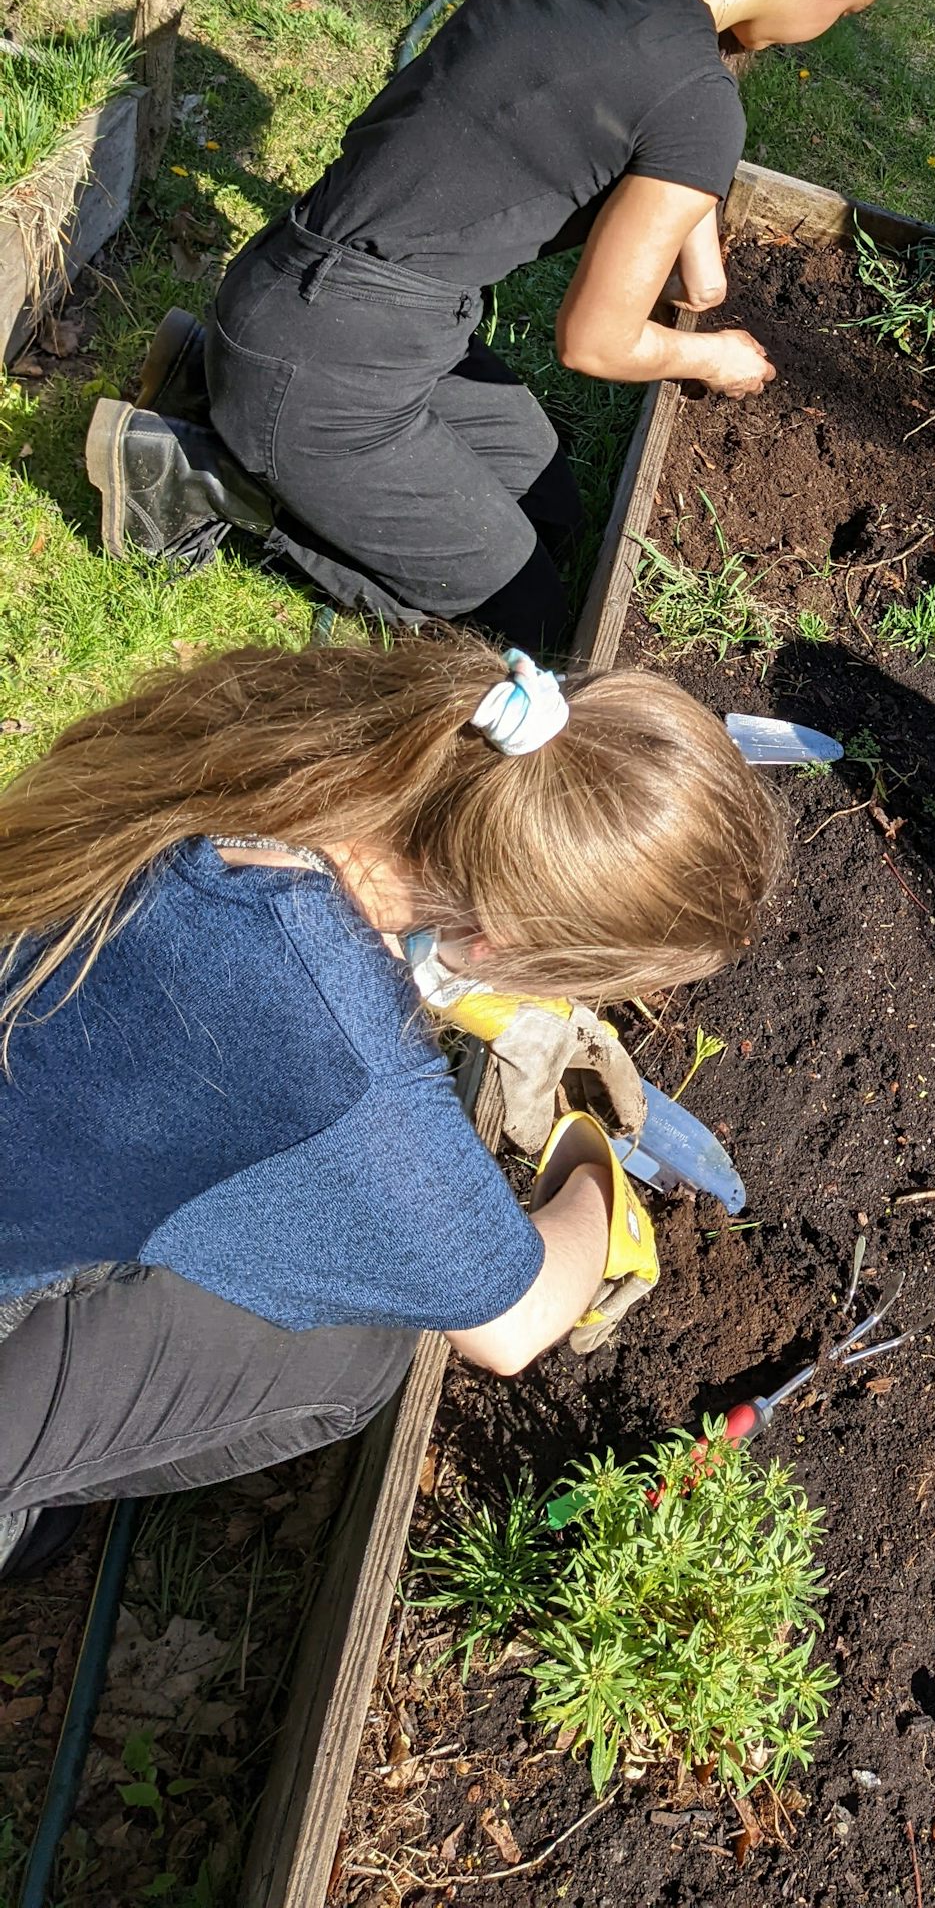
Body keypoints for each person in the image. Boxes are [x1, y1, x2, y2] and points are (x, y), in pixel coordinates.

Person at [0, 637, 779, 1580]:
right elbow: (510, 1324)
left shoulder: (300, 738)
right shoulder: (339, 1055)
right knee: (361, 1355)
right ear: (494, 939)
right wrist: (594, 1191)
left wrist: (445, 986)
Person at [86, 0, 922, 653]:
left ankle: (208, 374)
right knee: (521, 619)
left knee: (549, 510)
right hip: (336, 362)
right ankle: (207, 478)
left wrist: (701, 249)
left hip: (330, 296)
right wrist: (703, 354)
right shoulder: (695, 103)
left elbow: (653, 115)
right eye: (844, 11)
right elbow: (594, 343)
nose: (821, 29)